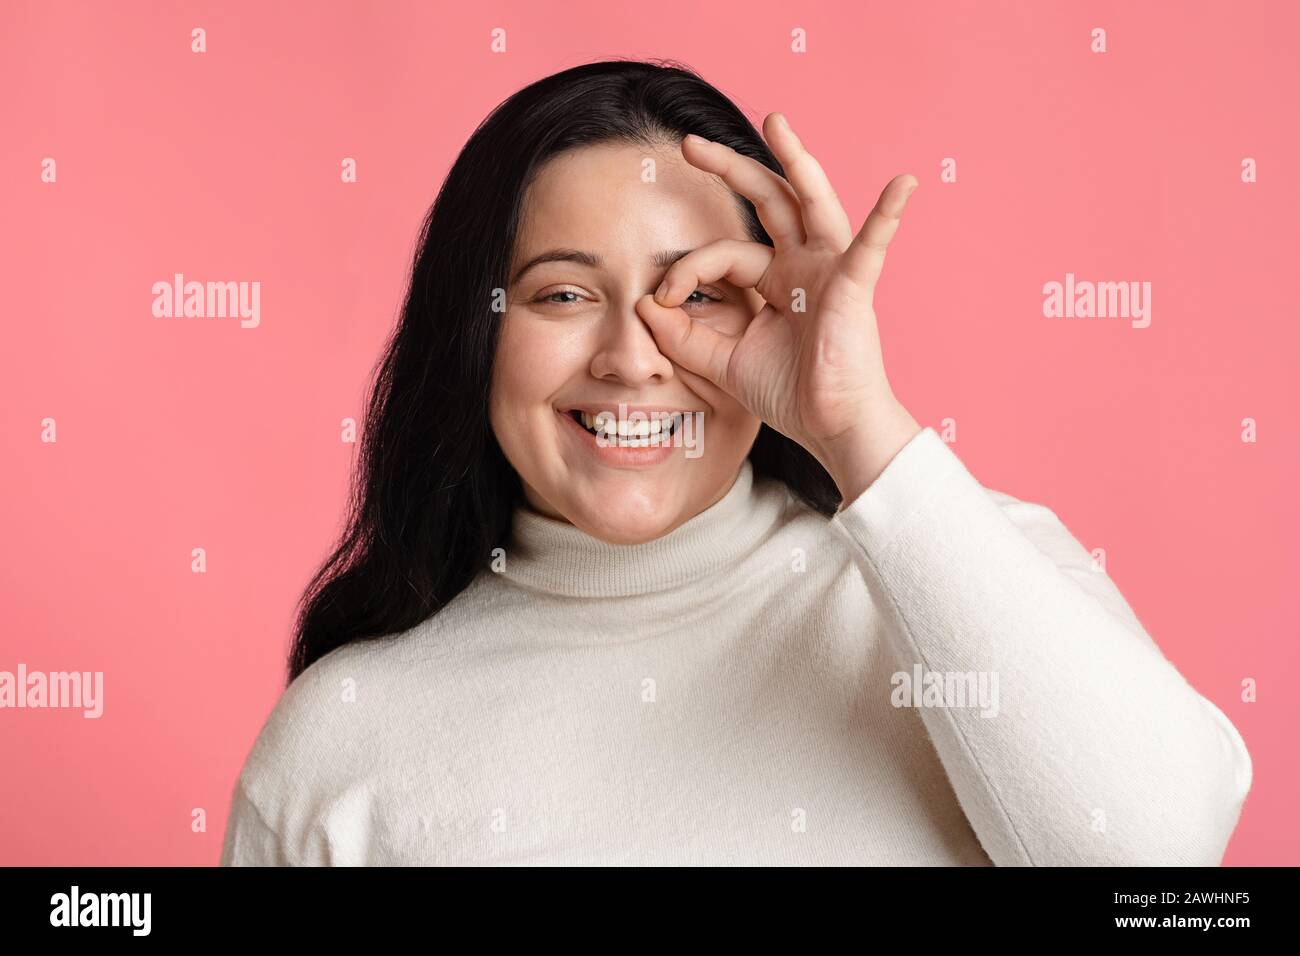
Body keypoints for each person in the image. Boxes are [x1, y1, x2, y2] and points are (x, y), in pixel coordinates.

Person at [220, 59, 1251, 866]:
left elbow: (1156, 858)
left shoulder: (968, 576)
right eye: (563, 294)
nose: (630, 357)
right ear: (476, 333)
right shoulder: (344, 740)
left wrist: (856, 427)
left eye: (696, 293)